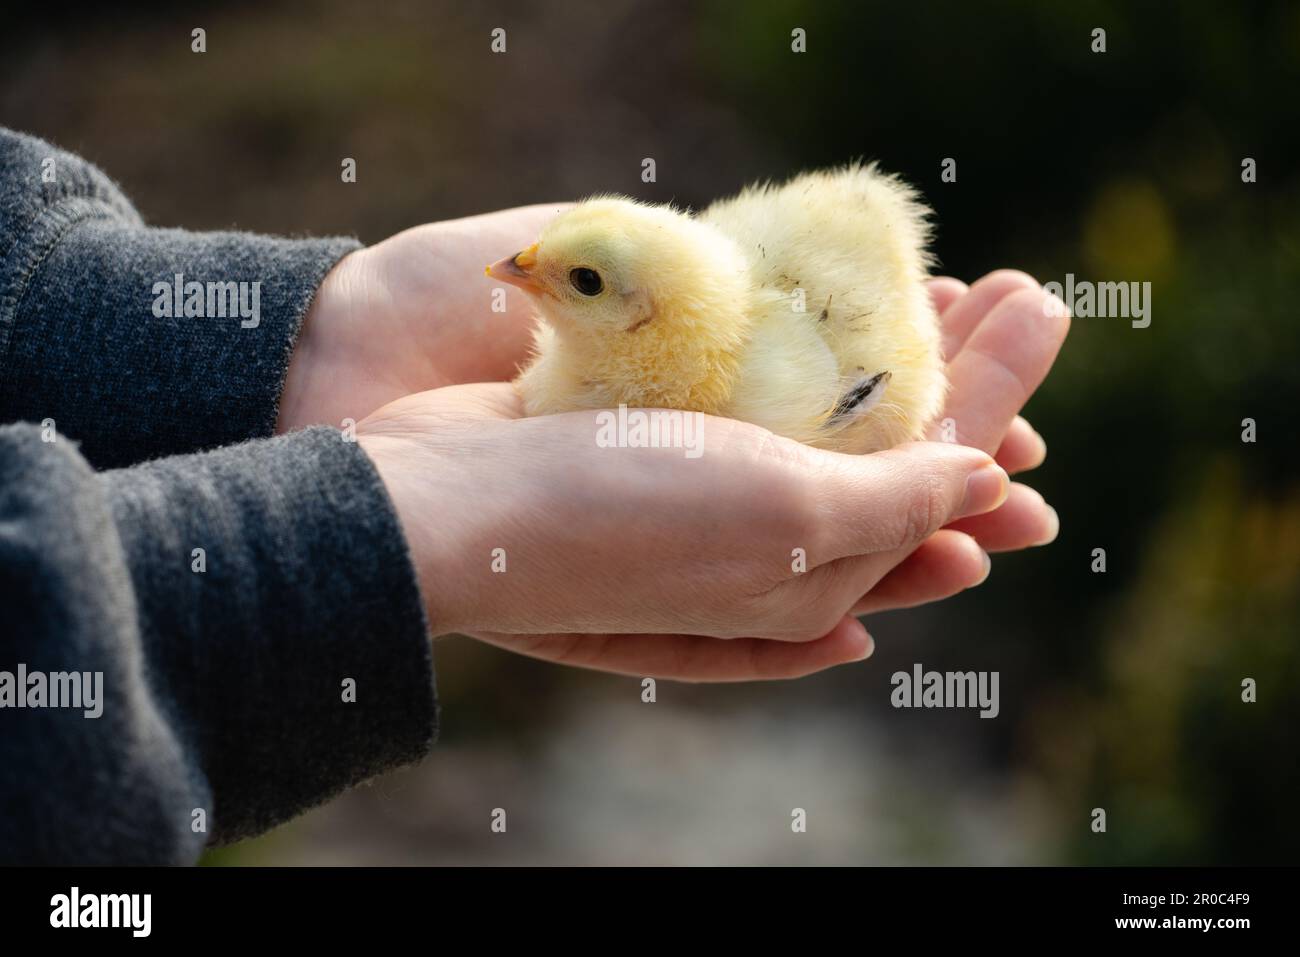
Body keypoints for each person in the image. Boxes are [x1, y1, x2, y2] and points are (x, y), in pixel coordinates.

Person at [0, 128, 1068, 864]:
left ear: (648, 322)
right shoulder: (632, 356)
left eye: (578, 283)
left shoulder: (760, 380)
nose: (516, 271)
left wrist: (306, 341)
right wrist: (403, 523)